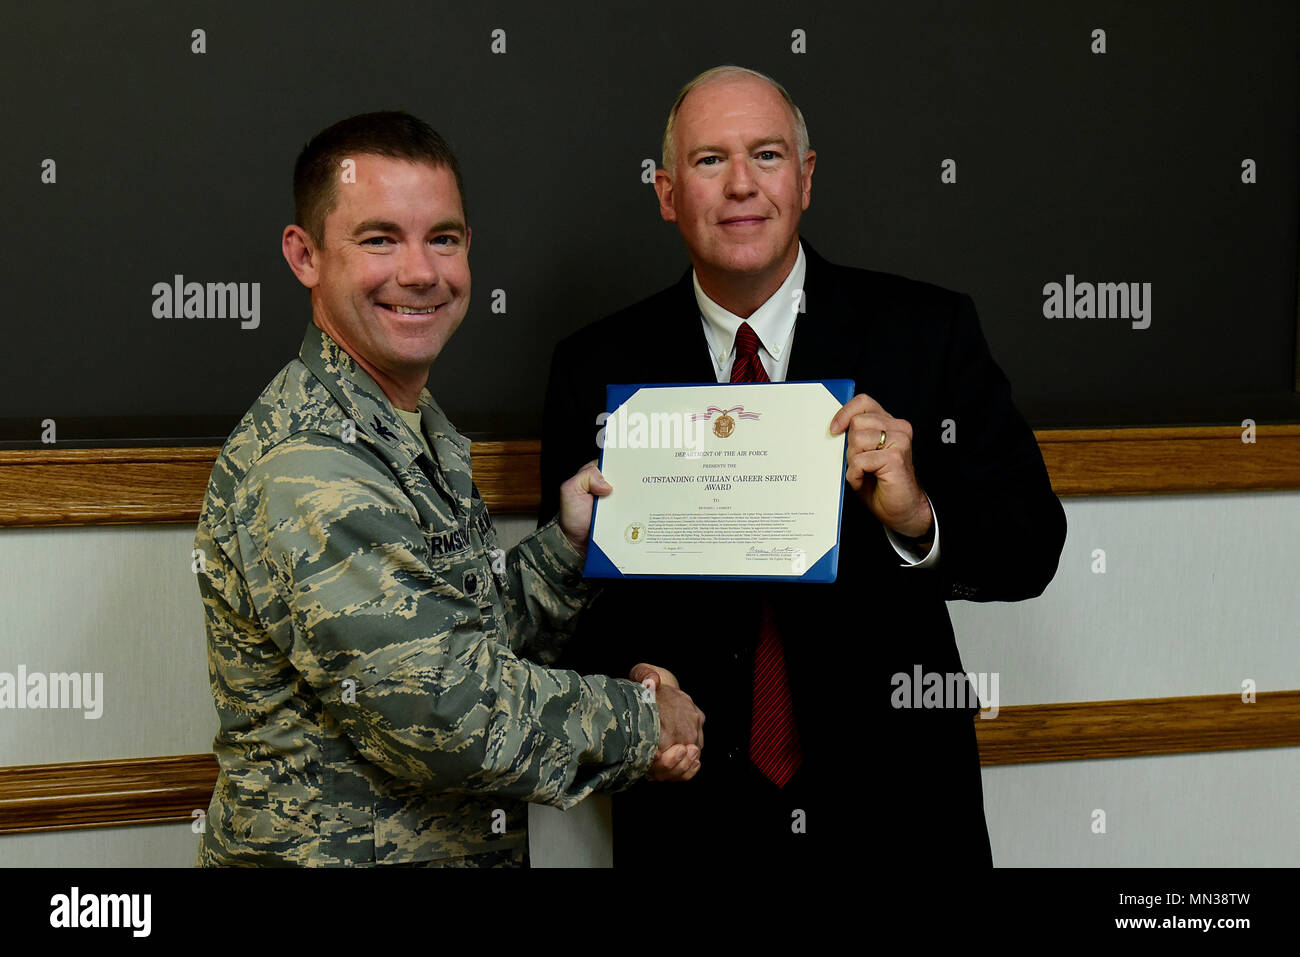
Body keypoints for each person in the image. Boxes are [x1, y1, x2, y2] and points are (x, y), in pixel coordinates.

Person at [540, 67, 1067, 867]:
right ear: (667, 191)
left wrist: (916, 516)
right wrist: (637, 678)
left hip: (900, 806)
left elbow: (1032, 546)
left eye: (767, 155)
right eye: (711, 161)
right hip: (692, 812)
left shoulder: (926, 332)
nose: (742, 185)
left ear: (807, 177)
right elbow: (575, 598)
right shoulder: (596, 365)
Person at [193, 111, 704, 868]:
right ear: (305, 256)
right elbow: (446, 711)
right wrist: (642, 718)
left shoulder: (405, 424)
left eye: (444, 238)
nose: (421, 272)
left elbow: (460, 633)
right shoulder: (310, 464)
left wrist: (566, 547)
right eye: (379, 238)